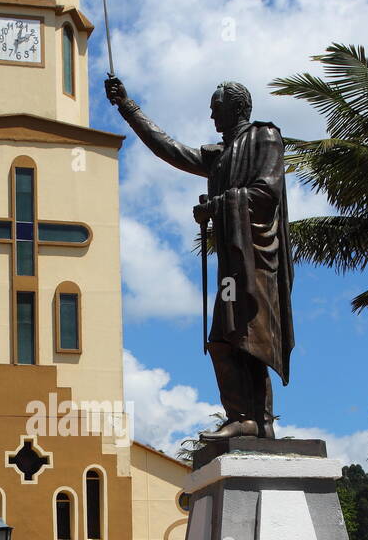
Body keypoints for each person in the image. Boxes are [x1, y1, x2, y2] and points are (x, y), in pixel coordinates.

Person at [105, 75, 294, 438]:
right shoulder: (220, 156)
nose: (211, 117)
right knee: (223, 339)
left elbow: (267, 193)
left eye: (216, 109)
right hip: (230, 262)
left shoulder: (264, 137)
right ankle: (242, 416)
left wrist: (218, 205)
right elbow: (169, 149)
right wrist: (128, 108)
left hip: (255, 257)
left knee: (249, 337)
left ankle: (259, 422)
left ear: (236, 108)